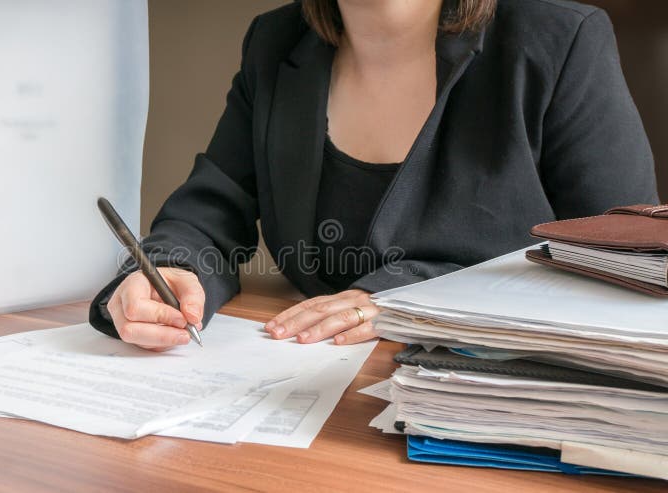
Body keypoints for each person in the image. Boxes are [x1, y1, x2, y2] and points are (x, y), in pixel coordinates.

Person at [89, 0, 659, 351]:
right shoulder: (276, 42)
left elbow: (630, 272)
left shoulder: (559, 41)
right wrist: (171, 269)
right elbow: (211, 209)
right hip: (298, 392)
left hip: (483, 405)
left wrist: (407, 302)